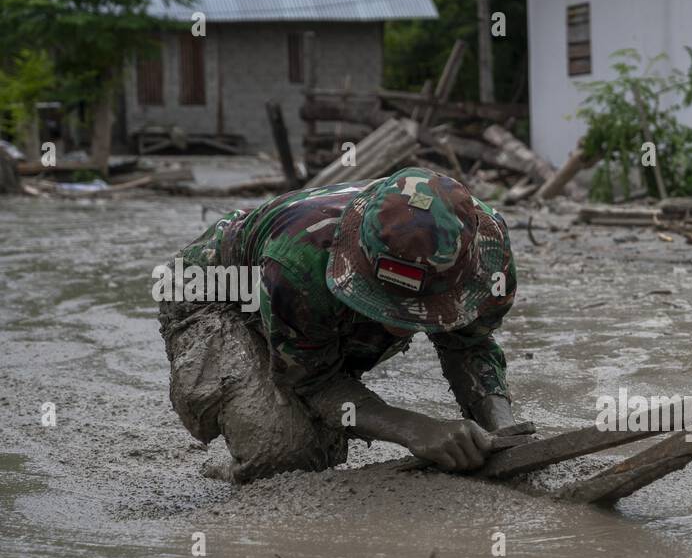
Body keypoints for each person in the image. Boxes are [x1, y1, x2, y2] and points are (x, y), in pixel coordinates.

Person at [158, 167, 530, 483]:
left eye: (420, 310)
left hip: (295, 294)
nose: (400, 327)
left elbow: (470, 343)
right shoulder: (300, 262)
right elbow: (314, 380)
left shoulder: (487, 254)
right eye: (385, 305)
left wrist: (502, 428)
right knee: (283, 454)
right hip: (214, 291)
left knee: (326, 441)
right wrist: (415, 429)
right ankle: (229, 460)